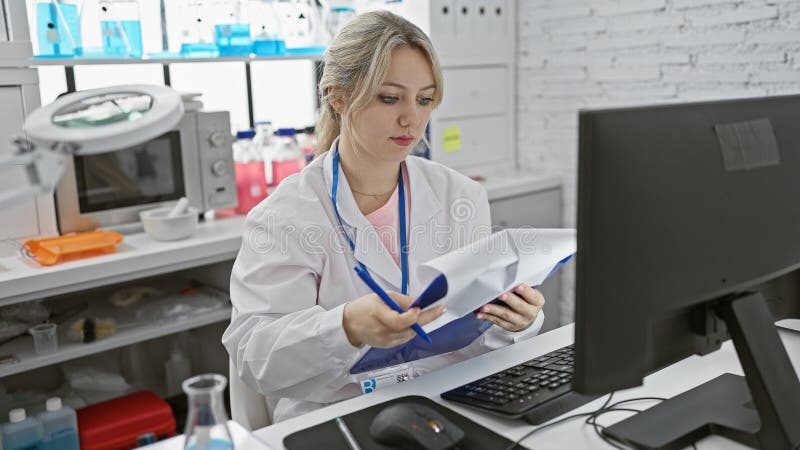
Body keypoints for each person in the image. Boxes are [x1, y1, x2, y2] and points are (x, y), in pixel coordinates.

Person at [223, 10, 546, 423]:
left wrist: (514, 322)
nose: (411, 119)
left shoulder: (459, 195)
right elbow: (256, 356)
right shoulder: (285, 216)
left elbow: (475, 337)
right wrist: (345, 328)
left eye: (424, 99)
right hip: (338, 412)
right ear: (339, 97)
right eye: (390, 98)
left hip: (447, 401)